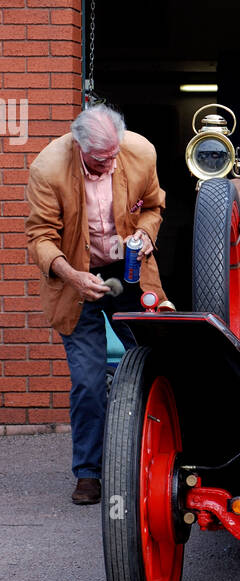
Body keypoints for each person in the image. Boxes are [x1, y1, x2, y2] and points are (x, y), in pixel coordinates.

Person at [25, 104, 170, 505]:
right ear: (78, 145)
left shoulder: (140, 152)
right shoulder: (48, 169)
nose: (108, 165)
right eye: (98, 159)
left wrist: (144, 236)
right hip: (76, 280)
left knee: (159, 365)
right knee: (88, 382)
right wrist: (72, 276)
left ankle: (160, 461)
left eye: (113, 156)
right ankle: (89, 473)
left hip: (130, 273)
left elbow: (154, 207)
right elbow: (39, 237)